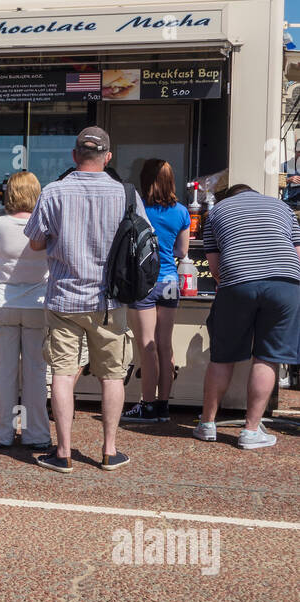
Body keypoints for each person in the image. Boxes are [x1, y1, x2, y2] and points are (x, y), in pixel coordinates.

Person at [25, 127, 149, 472]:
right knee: (111, 376)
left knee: (63, 375)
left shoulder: (54, 191)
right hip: (110, 301)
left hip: (64, 297)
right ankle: (109, 451)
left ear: (75, 155)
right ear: (108, 157)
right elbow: (143, 239)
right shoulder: (126, 193)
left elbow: (35, 242)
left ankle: (63, 452)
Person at [194, 183, 300, 448]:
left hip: (237, 283)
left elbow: (216, 269)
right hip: (284, 283)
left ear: (230, 197)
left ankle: (207, 424)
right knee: (267, 356)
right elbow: (297, 255)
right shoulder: (284, 208)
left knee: (222, 356)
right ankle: (251, 432)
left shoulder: (217, 212)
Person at [0, 171, 51, 450]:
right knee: (37, 373)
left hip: (2, 303)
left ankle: (3, 433)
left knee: (4, 373)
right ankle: (37, 434)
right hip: (38, 304)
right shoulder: (46, 226)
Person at [122, 159, 191, 423]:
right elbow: (182, 252)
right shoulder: (182, 212)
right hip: (170, 281)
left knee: (147, 347)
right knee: (165, 345)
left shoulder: (138, 209)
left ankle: (147, 405)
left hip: (144, 282)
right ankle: (164, 406)